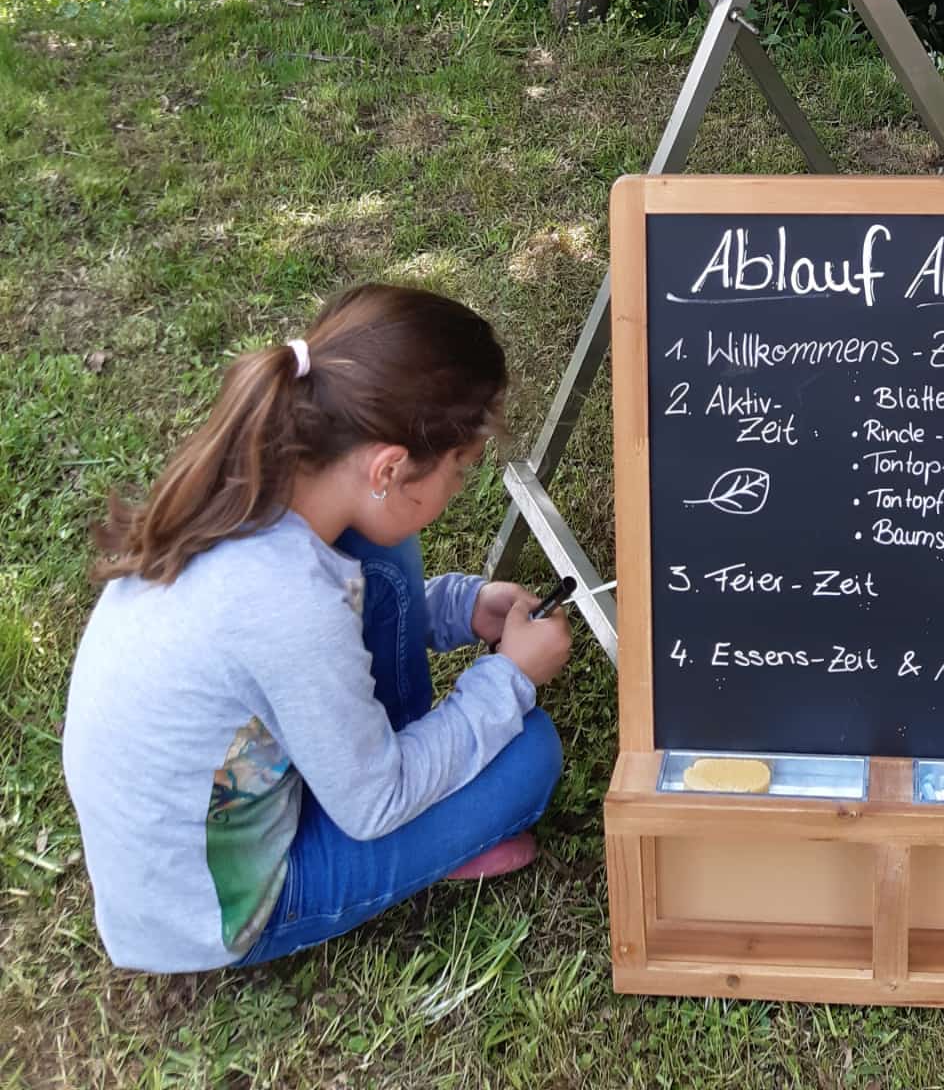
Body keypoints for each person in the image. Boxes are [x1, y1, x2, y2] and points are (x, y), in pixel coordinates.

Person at [63, 283, 570, 974]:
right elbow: (375, 801)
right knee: (529, 753)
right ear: (389, 467)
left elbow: (324, 627)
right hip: (223, 907)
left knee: (382, 551)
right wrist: (508, 677)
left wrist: (457, 607)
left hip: (198, 830)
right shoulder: (287, 599)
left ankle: (419, 783)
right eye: (459, 469)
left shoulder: (258, 481)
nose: (458, 488)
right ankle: (437, 839)